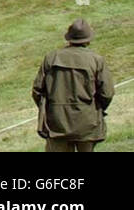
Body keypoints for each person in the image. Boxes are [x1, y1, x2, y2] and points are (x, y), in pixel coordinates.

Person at [33, 19, 114, 152]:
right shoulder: (96, 60)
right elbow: (107, 93)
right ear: (88, 39)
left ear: (69, 38)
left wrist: (53, 109)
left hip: (57, 123)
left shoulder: (51, 58)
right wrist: (95, 110)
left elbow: (37, 91)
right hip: (88, 122)